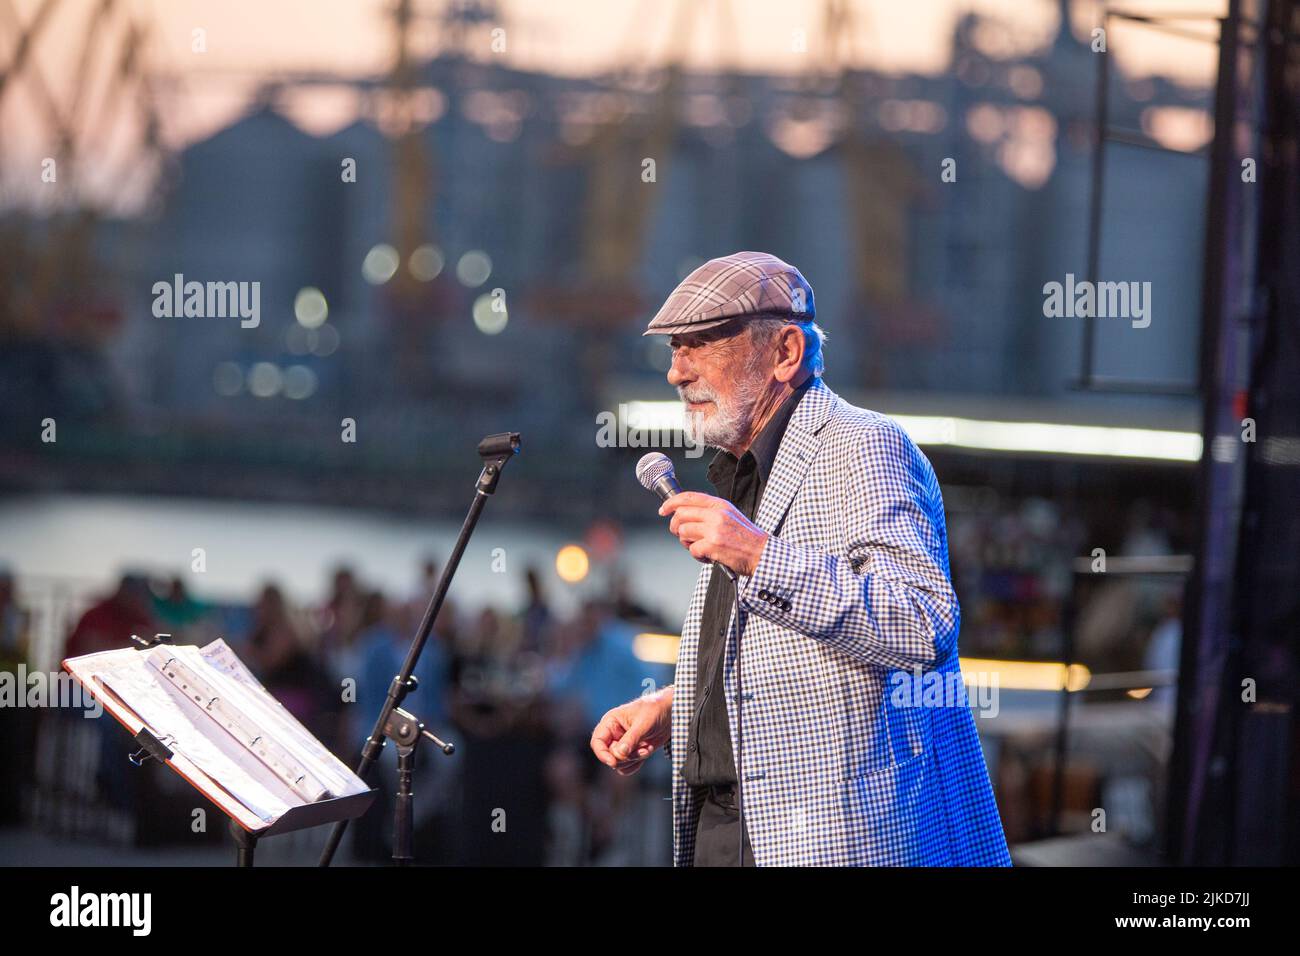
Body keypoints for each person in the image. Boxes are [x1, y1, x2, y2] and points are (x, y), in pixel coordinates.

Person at [588, 251, 1011, 866]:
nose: (677, 373)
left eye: (699, 345)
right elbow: (788, 656)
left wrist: (760, 555)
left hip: (827, 839)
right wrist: (681, 704)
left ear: (785, 352)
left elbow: (921, 622)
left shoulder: (863, 446)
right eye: (673, 350)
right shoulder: (742, 470)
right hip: (725, 828)